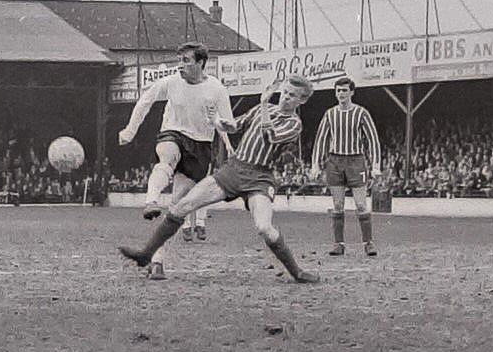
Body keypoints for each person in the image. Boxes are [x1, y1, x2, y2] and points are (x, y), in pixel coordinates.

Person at [119, 75, 319, 284]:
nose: (285, 97)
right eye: (285, 92)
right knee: (182, 206)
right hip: (234, 169)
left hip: (260, 177)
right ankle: (146, 255)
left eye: (292, 96)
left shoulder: (294, 124)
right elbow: (236, 126)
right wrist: (218, 122)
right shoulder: (262, 109)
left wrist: (263, 103)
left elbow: (269, 136)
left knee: (264, 228)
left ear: (301, 101)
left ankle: (297, 272)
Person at [116, 42, 235, 277]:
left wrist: (217, 122)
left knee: (176, 210)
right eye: (179, 60)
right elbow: (145, 101)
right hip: (173, 132)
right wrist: (129, 131)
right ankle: (151, 201)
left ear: (200, 63)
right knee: (166, 158)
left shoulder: (217, 89)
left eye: (186, 60)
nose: (180, 65)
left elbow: (228, 124)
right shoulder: (170, 82)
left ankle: (157, 262)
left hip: (200, 147)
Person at [309, 77, 382, 257]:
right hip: (335, 162)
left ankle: (368, 243)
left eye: (344, 90)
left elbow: (373, 140)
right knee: (338, 204)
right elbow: (321, 140)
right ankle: (338, 244)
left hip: (356, 161)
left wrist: (376, 165)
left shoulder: (361, 113)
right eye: (338, 91)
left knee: (360, 204)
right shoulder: (330, 114)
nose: (341, 94)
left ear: (351, 92)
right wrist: (315, 165)